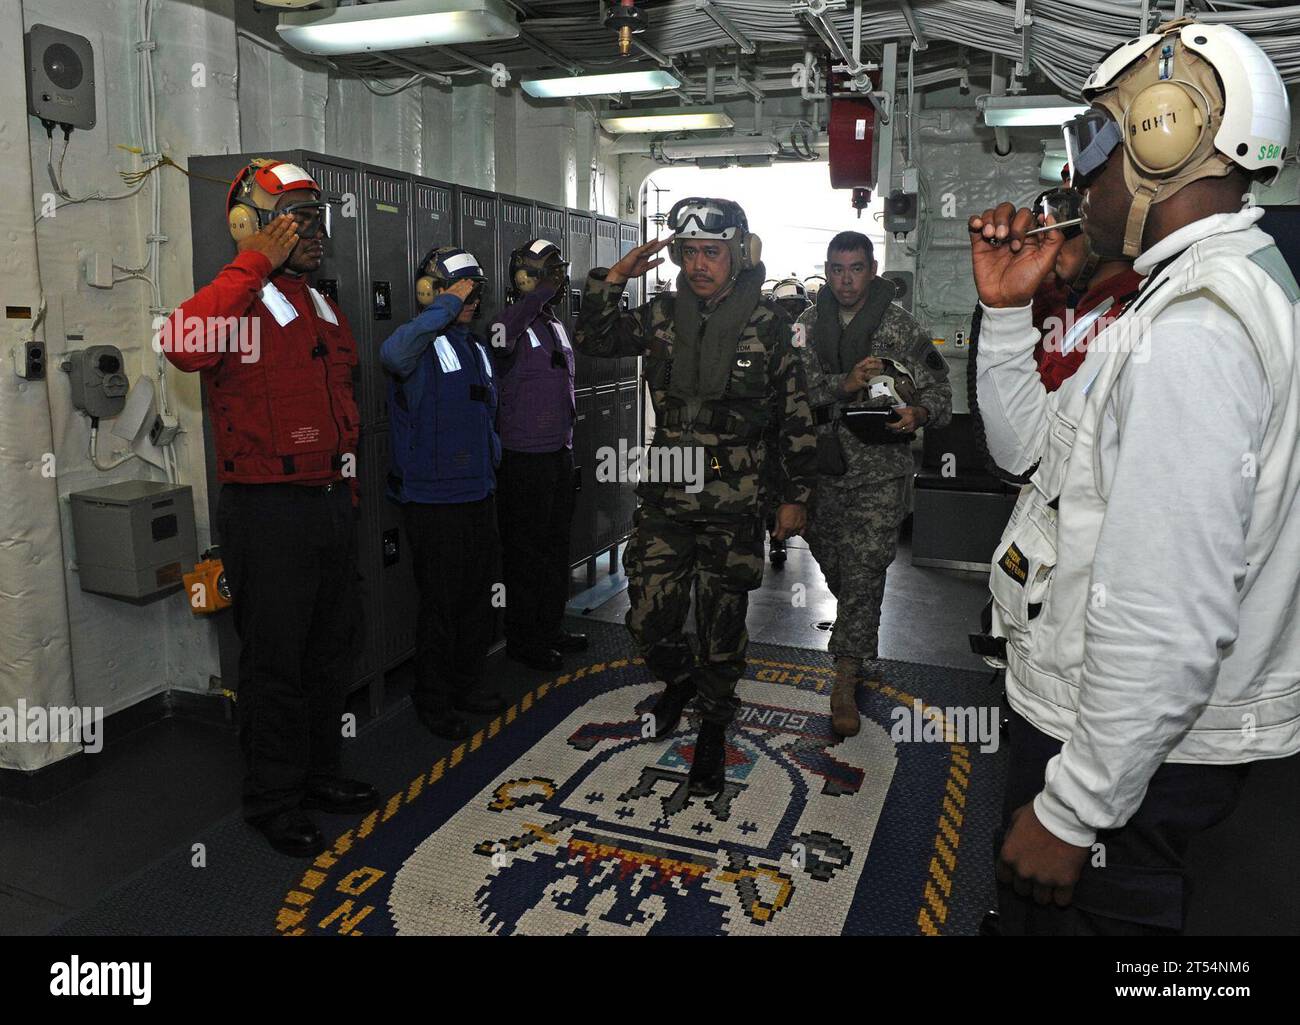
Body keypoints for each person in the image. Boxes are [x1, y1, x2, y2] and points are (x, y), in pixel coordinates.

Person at [970, 18, 1298, 934]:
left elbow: (1166, 606)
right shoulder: (1186, 293)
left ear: (1163, 141)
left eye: (1101, 144)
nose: (1081, 178)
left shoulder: (1195, 332)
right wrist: (1003, 317)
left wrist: (1073, 809)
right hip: (1127, 740)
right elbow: (1027, 456)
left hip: (1126, 759)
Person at [162, 159, 377, 857]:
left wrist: (345, 495)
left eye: (319, 219)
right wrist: (253, 261)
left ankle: (318, 774)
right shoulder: (238, 298)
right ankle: (273, 799)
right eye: (297, 220)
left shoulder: (320, 303)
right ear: (251, 225)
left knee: (326, 653)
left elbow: (343, 403)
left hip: (327, 503)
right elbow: (182, 344)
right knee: (276, 663)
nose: (315, 233)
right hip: (268, 512)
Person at [575, 197, 818, 796]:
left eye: (712, 251)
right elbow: (594, 339)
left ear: (737, 251)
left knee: (720, 621)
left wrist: (795, 498)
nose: (699, 264)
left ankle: (712, 724)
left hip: (735, 500)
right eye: (689, 253)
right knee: (648, 616)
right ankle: (678, 680)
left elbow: (798, 419)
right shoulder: (661, 314)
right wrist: (613, 279)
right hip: (667, 490)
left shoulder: (770, 325)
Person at [793, 231, 952, 736]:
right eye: (837, 269)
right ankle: (860, 638)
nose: (845, 280)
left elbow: (941, 394)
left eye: (856, 269)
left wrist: (919, 412)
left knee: (864, 569)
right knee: (837, 565)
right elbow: (788, 396)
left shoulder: (900, 327)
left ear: (873, 268)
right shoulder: (803, 327)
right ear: (826, 269)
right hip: (821, 468)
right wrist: (841, 385)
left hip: (879, 472)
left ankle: (844, 676)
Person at [382, 247, 505, 741]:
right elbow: (392, 353)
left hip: (477, 492)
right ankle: (433, 701)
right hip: (433, 502)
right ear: (431, 291)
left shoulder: (474, 347)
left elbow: (484, 414)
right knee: (441, 606)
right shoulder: (417, 343)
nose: (471, 300)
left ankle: (467, 686)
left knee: (476, 601)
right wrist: (445, 305)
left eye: (475, 290)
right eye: (461, 289)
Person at [486, 239, 587, 672]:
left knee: (554, 548)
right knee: (525, 554)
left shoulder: (553, 324)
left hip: (557, 456)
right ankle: (524, 640)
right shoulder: (508, 322)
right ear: (526, 277)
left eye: (559, 273)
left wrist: (544, 299)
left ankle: (550, 628)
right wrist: (538, 293)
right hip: (523, 460)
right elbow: (501, 339)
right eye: (550, 273)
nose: (559, 282)